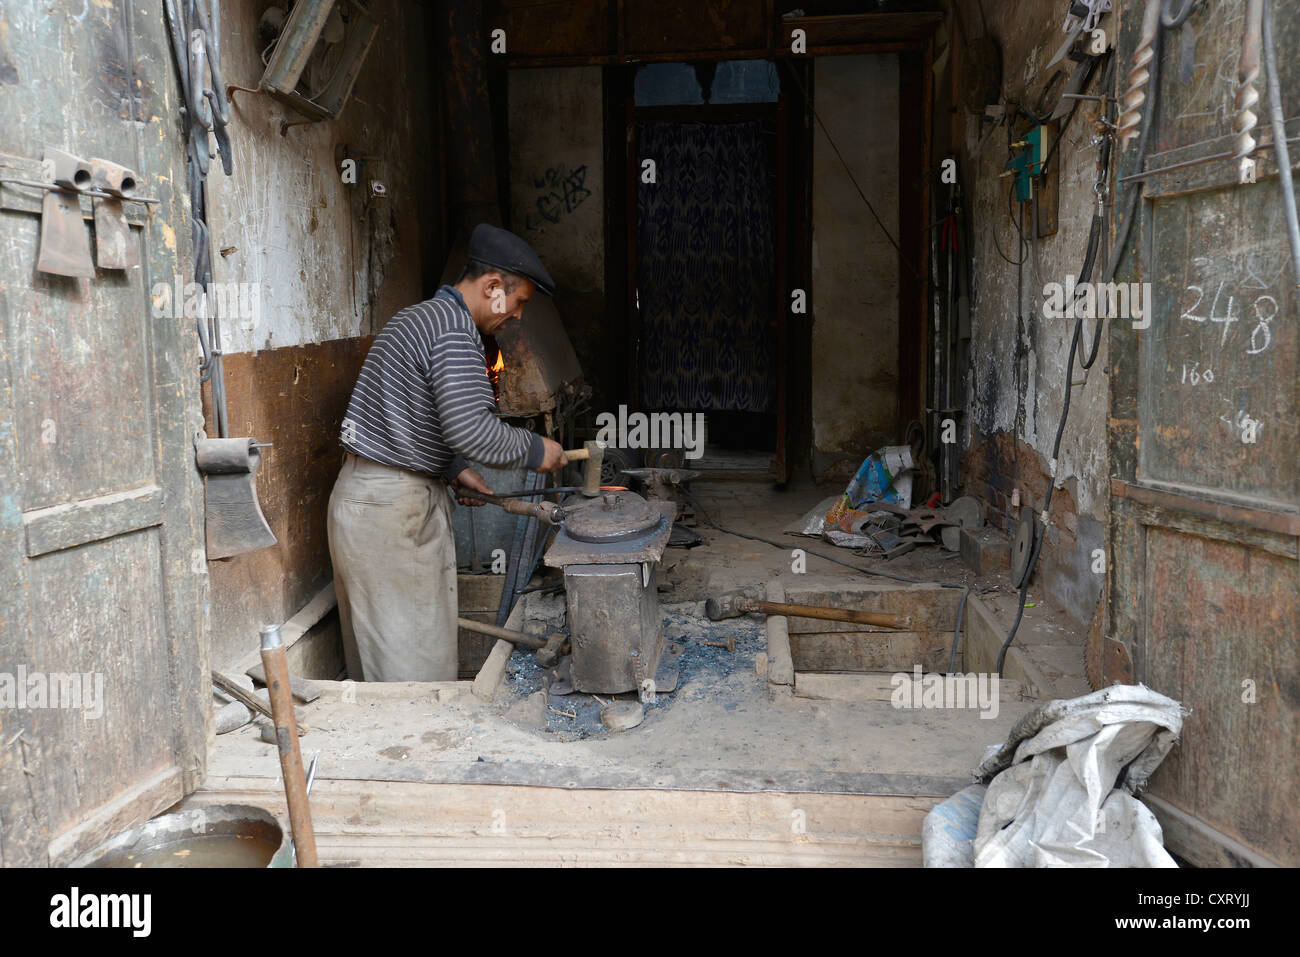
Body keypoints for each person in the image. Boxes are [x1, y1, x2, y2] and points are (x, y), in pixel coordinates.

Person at [327, 224, 567, 681]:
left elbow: (410, 410)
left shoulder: (423, 319)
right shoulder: (455, 331)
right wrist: (540, 450)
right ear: (493, 287)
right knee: (411, 681)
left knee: (392, 674)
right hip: (387, 511)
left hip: (379, 499)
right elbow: (475, 431)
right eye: (518, 303)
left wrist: (454, 469)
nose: (517, 317)